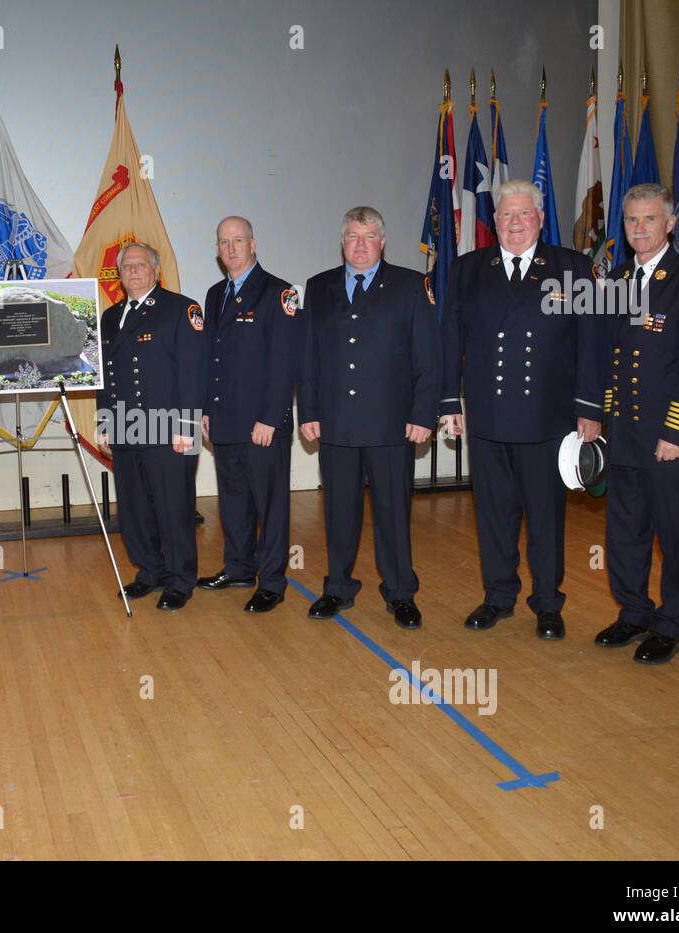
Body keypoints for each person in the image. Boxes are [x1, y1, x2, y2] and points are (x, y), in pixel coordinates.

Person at [439, 180, 605, 640]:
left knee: (546, 517)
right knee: (493, 514)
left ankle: (548, 603)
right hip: (489, 416)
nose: (514, 223)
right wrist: (450, 402)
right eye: (505, 215)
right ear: (494, 223)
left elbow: (592, 344)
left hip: (548, 418)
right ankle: (498, 596)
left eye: (523, 214)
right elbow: (451, 339)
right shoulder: (469, 269)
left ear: (539, 217)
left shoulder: (573, 268)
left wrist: (589, 408)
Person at [594, 183, 679, 664]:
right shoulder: (617, 281)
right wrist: (606, 419)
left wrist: (678, 433)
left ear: (670, 223)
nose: (640, 229)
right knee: (625, 533)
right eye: (631, 220)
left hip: (672, 440)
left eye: (650, 219)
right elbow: (611, 357)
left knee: (675, 537)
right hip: (626, 435)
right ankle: (634, 613)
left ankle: (670, 626)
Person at [298, 207, 440, 625]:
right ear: (342, 242)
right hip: (336, 423)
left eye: (369, 236)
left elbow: (428, 359)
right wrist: (308, 410)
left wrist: (423, 414)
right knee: (339, 512)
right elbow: (307, 357)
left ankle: (400, 592)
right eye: (352, 237)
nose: (360, 245)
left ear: (382, 242)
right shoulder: (318, 286)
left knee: (393, 514)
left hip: (391, 425)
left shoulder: (412, 286)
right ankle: (337, 588)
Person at [197, 216, 300, 613]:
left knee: (270, 505)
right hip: (224, 419)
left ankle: (272, 581)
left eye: (238, 240)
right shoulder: (213, 294)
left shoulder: (279, 293)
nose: (231, 248)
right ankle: (239, 567)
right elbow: (211, 358)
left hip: (262, 423)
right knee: (234, 500)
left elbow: (285, 361)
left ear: (253, 244)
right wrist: (206, 410)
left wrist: (271, 417)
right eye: (223, 242)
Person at [96, 241, 207, 611]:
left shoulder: (181, 309)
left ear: (156, 271)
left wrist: (187, 425)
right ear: (120, 274)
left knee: (173, 507)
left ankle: (180, 580)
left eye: (140, 265)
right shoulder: (110, 318)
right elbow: (106, 376)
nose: (133, 271)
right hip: (126, 425)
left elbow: (194, 372)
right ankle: (150, 571)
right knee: (134, 507)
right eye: (126, 266)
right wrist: (104, 422)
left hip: (171, 426)